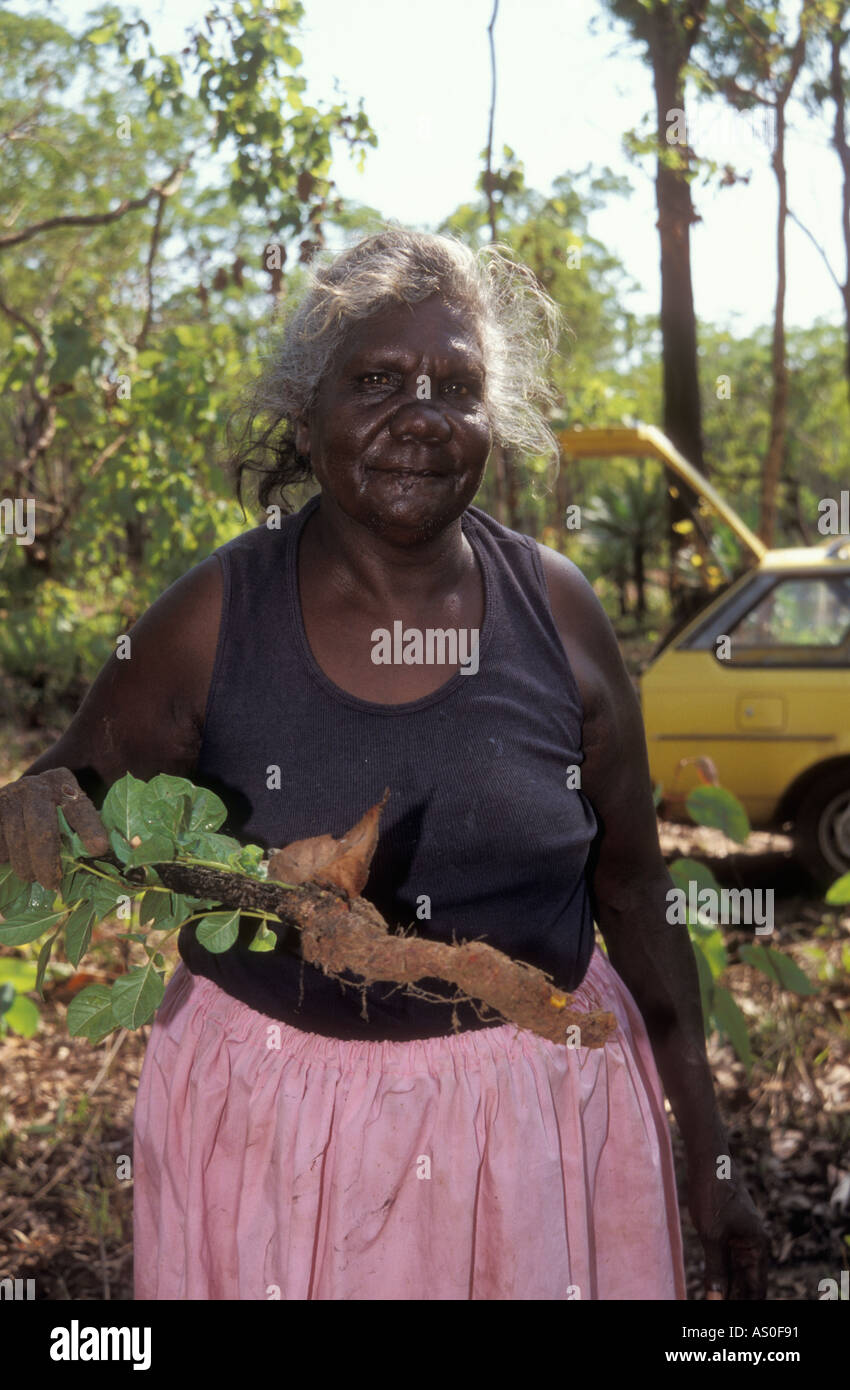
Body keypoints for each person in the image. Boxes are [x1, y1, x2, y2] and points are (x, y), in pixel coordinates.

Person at [0, 228, 767, 1301]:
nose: (421, 415)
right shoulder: (208, 620)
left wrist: (707, 1154)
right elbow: (49, 810)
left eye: (456, 385)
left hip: (535, 1123)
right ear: (306, 417)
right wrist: (44, 836)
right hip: (275, 1134)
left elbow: (634, 887)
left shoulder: (560, 614)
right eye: (377, 380)